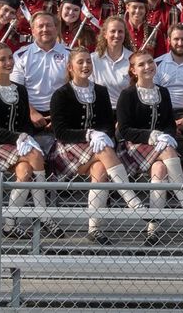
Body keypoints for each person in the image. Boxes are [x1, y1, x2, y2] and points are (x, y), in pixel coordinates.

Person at [49, 47, 142, 244]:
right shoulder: (61, 94)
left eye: (88, 62)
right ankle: (131, 199)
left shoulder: (100, 91)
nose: (85, 65)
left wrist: (104, 135)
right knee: (105, 152)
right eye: (80, 62)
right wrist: (89, 134)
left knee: (100, 169)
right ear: (70, 67)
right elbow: (60, 132)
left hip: (96, 150)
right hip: (68, 149)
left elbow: (108, 123)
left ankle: (94, 228)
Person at [115, 50, 183, 244]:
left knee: (160, 170)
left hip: (158, 148)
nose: (147, 67)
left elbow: (169, 122)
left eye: (150, 62)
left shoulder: (163, 91)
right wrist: (151, 135)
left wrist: (166, 135)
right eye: (141, 64)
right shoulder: (127, 95)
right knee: (168, 151)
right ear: (133, 70)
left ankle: (153, 228)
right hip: (133, 147)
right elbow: (124, 130)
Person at [0, 45, 54, 238]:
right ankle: (43, 215)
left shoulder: (20, 89)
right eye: (3, 59)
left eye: (10, 58)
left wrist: (26, 135)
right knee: (36, 156)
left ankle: (9, 224)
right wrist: (18, 137)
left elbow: (25, 123)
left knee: (25, 171)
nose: (8, 62)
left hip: (18, 143)